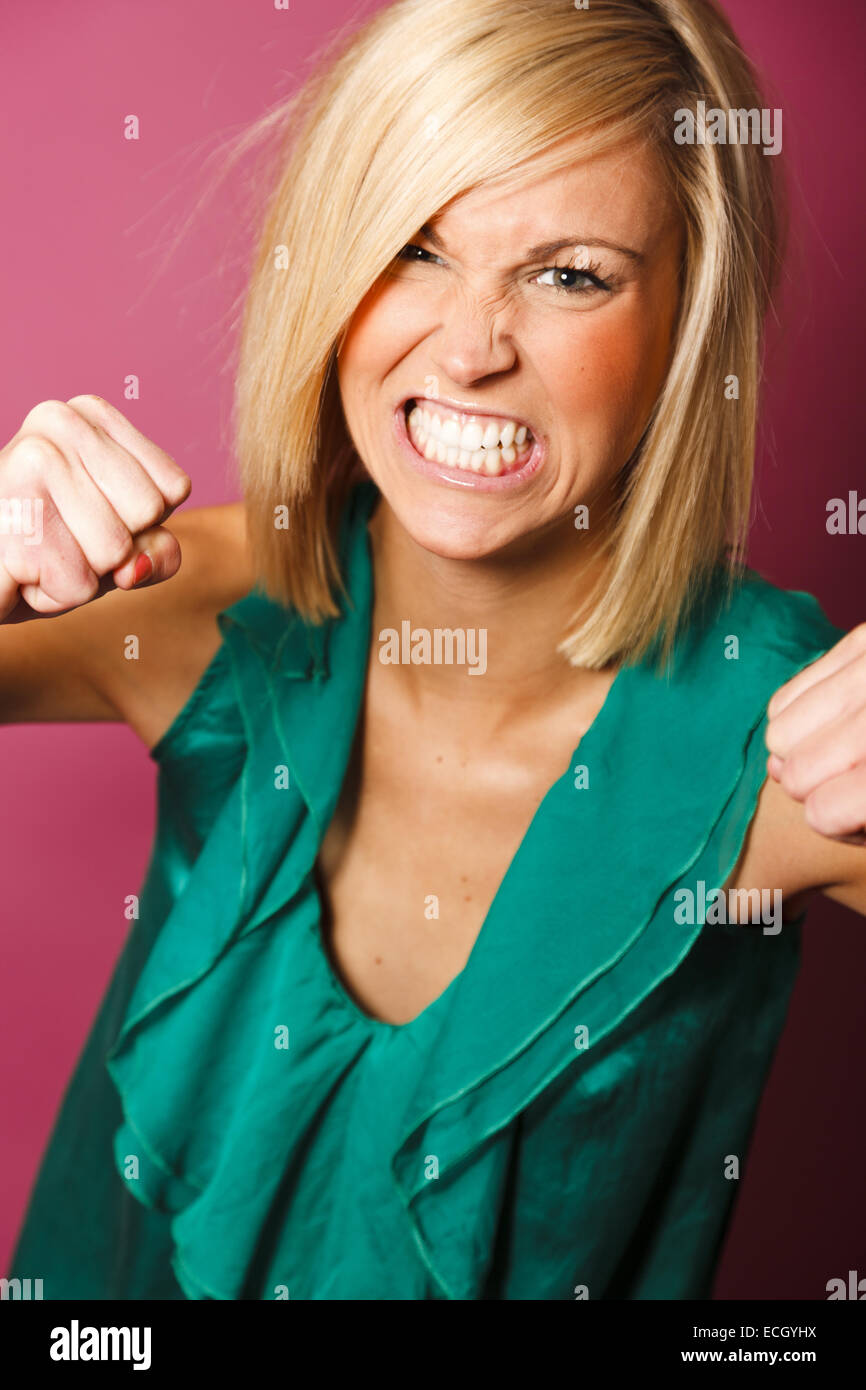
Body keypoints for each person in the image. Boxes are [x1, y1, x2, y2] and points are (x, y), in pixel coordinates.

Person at [4, 0, 866, 1300]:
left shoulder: (782, 734)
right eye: (413, 246)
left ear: (687, 327)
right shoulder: (186, 596)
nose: (467, 349)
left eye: (568, 273)